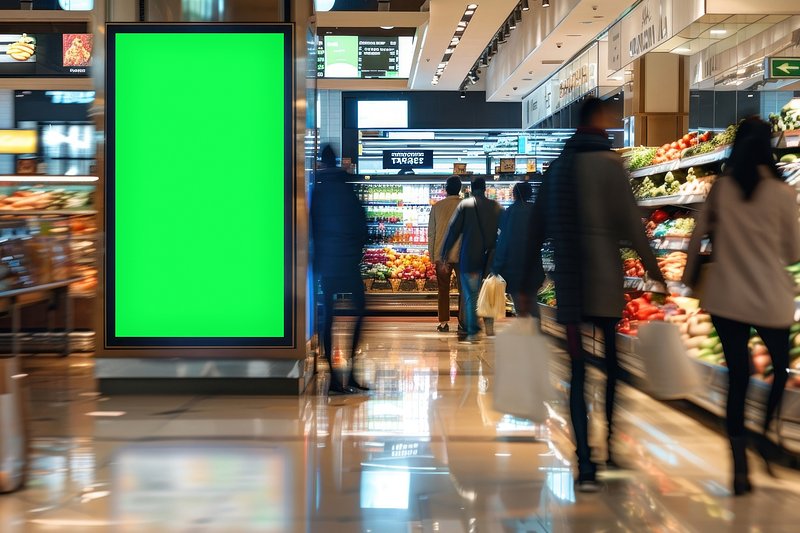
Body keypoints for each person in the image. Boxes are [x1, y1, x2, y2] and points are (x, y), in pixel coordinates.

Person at [526, 97, 665, 491]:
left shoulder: (558, 169)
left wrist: (525, 281)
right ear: (598, 120)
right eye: (611, 117)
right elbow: (633, 226)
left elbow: (536, 227)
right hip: (605, 280)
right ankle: (608, 447)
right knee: (610, 367)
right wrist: (654, 272)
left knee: (577, 371)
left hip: (570, 283)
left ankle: (585, 463)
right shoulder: (611, 166)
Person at [683, 117, 800, 496]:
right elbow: (793, 252)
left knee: (737, 379)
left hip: (726, 297)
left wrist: (689, 277)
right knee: (780, 370)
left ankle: (738, 467)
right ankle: (765, 437)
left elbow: (698, 237)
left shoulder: (721, 189)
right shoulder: (781, 193)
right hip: (770, 298)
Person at [310, 145, 369, 395]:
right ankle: (352, 371)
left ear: (322, 163)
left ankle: (335, 377)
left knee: (329, 318)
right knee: (360, 311)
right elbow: (362, 228)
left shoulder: (318, 191)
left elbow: (311, 228)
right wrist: (356, 252)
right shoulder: (348, 190)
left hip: (327, 264)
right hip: (349, 263)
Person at [441, 177, 502, 343]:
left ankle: (473, 331)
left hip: (469, 257)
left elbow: (453, 230)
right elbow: (506, 230)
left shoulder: (465, 205)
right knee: (488, 292)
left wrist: (445, 253)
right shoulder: (495, 206)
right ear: (485, 189)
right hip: (490, 259)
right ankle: (489, 326)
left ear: (471, 188)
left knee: (471, 296)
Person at [492, 181, 543, 317]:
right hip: (534, 266)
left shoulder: (509, 213)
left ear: (514, 194)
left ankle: (525, 333)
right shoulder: (536, 211)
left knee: (521, 307)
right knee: (532, 301)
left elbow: (503, 242)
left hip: (514, 268)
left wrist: (496, 267)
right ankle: (535, 333)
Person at [428, 176, 465, 333]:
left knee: (443, 289)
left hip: (442, 255)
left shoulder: (437, 207)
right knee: (464, 290)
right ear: (460, 189)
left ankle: (443, 323)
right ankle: (463, 323)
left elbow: (432, 233)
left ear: (446, 189)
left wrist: (432, 255)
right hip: (463, 254)